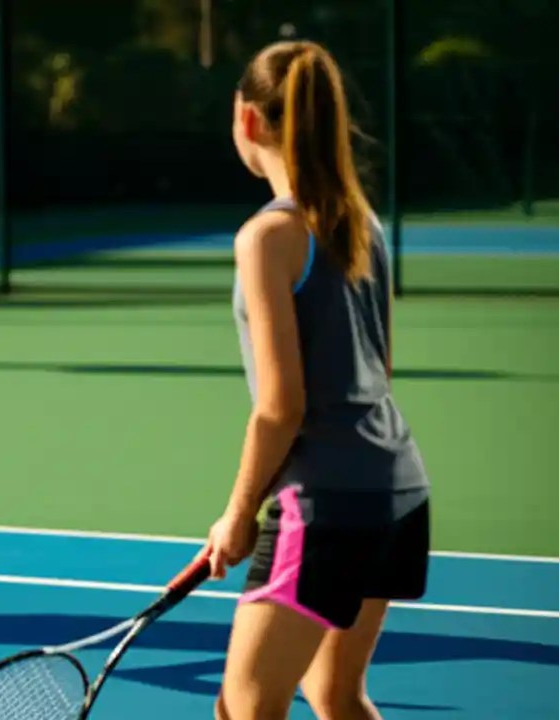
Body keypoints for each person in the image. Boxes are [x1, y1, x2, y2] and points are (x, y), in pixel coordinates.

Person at [202, 40, 431, 719]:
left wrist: (238, 516)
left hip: (327, 507)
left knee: (246, 706)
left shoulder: (267, 237)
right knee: (334, 695)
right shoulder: (364, 223)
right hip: (399, 493)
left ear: (248, 120)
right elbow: (378, 371)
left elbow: (281, 407)